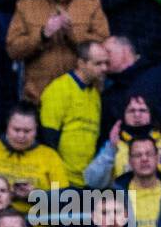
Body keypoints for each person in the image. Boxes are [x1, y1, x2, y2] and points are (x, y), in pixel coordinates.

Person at [6, 0, 110, 103]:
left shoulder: (91, 3)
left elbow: (104, 47)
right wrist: (42, 35)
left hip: (82, 99)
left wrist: (73, 34)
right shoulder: (25, 4)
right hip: (39, 99)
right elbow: (13, 49)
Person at [38, 41, 109, 186]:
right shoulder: (59, 89)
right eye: (98, 64)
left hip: (86, 179)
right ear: (81, 63)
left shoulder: (94, 94)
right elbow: (48, 137)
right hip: (62, 179)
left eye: (106, 63)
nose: (104, 68)